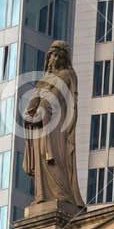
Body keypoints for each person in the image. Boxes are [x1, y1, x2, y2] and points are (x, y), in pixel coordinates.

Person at [21, 40, 85, 209]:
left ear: (63, 58)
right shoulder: (44, 80)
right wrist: (30, 112)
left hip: (56, 128)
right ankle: (42, 195)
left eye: (58, 55)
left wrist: (44, 107)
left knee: (54, 159)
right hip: (41, 126)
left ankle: (60, 195)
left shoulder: (67, 75)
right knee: (42, 157)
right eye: (52, 55)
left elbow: (58, 96)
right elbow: (33, 102)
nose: (55, 58)